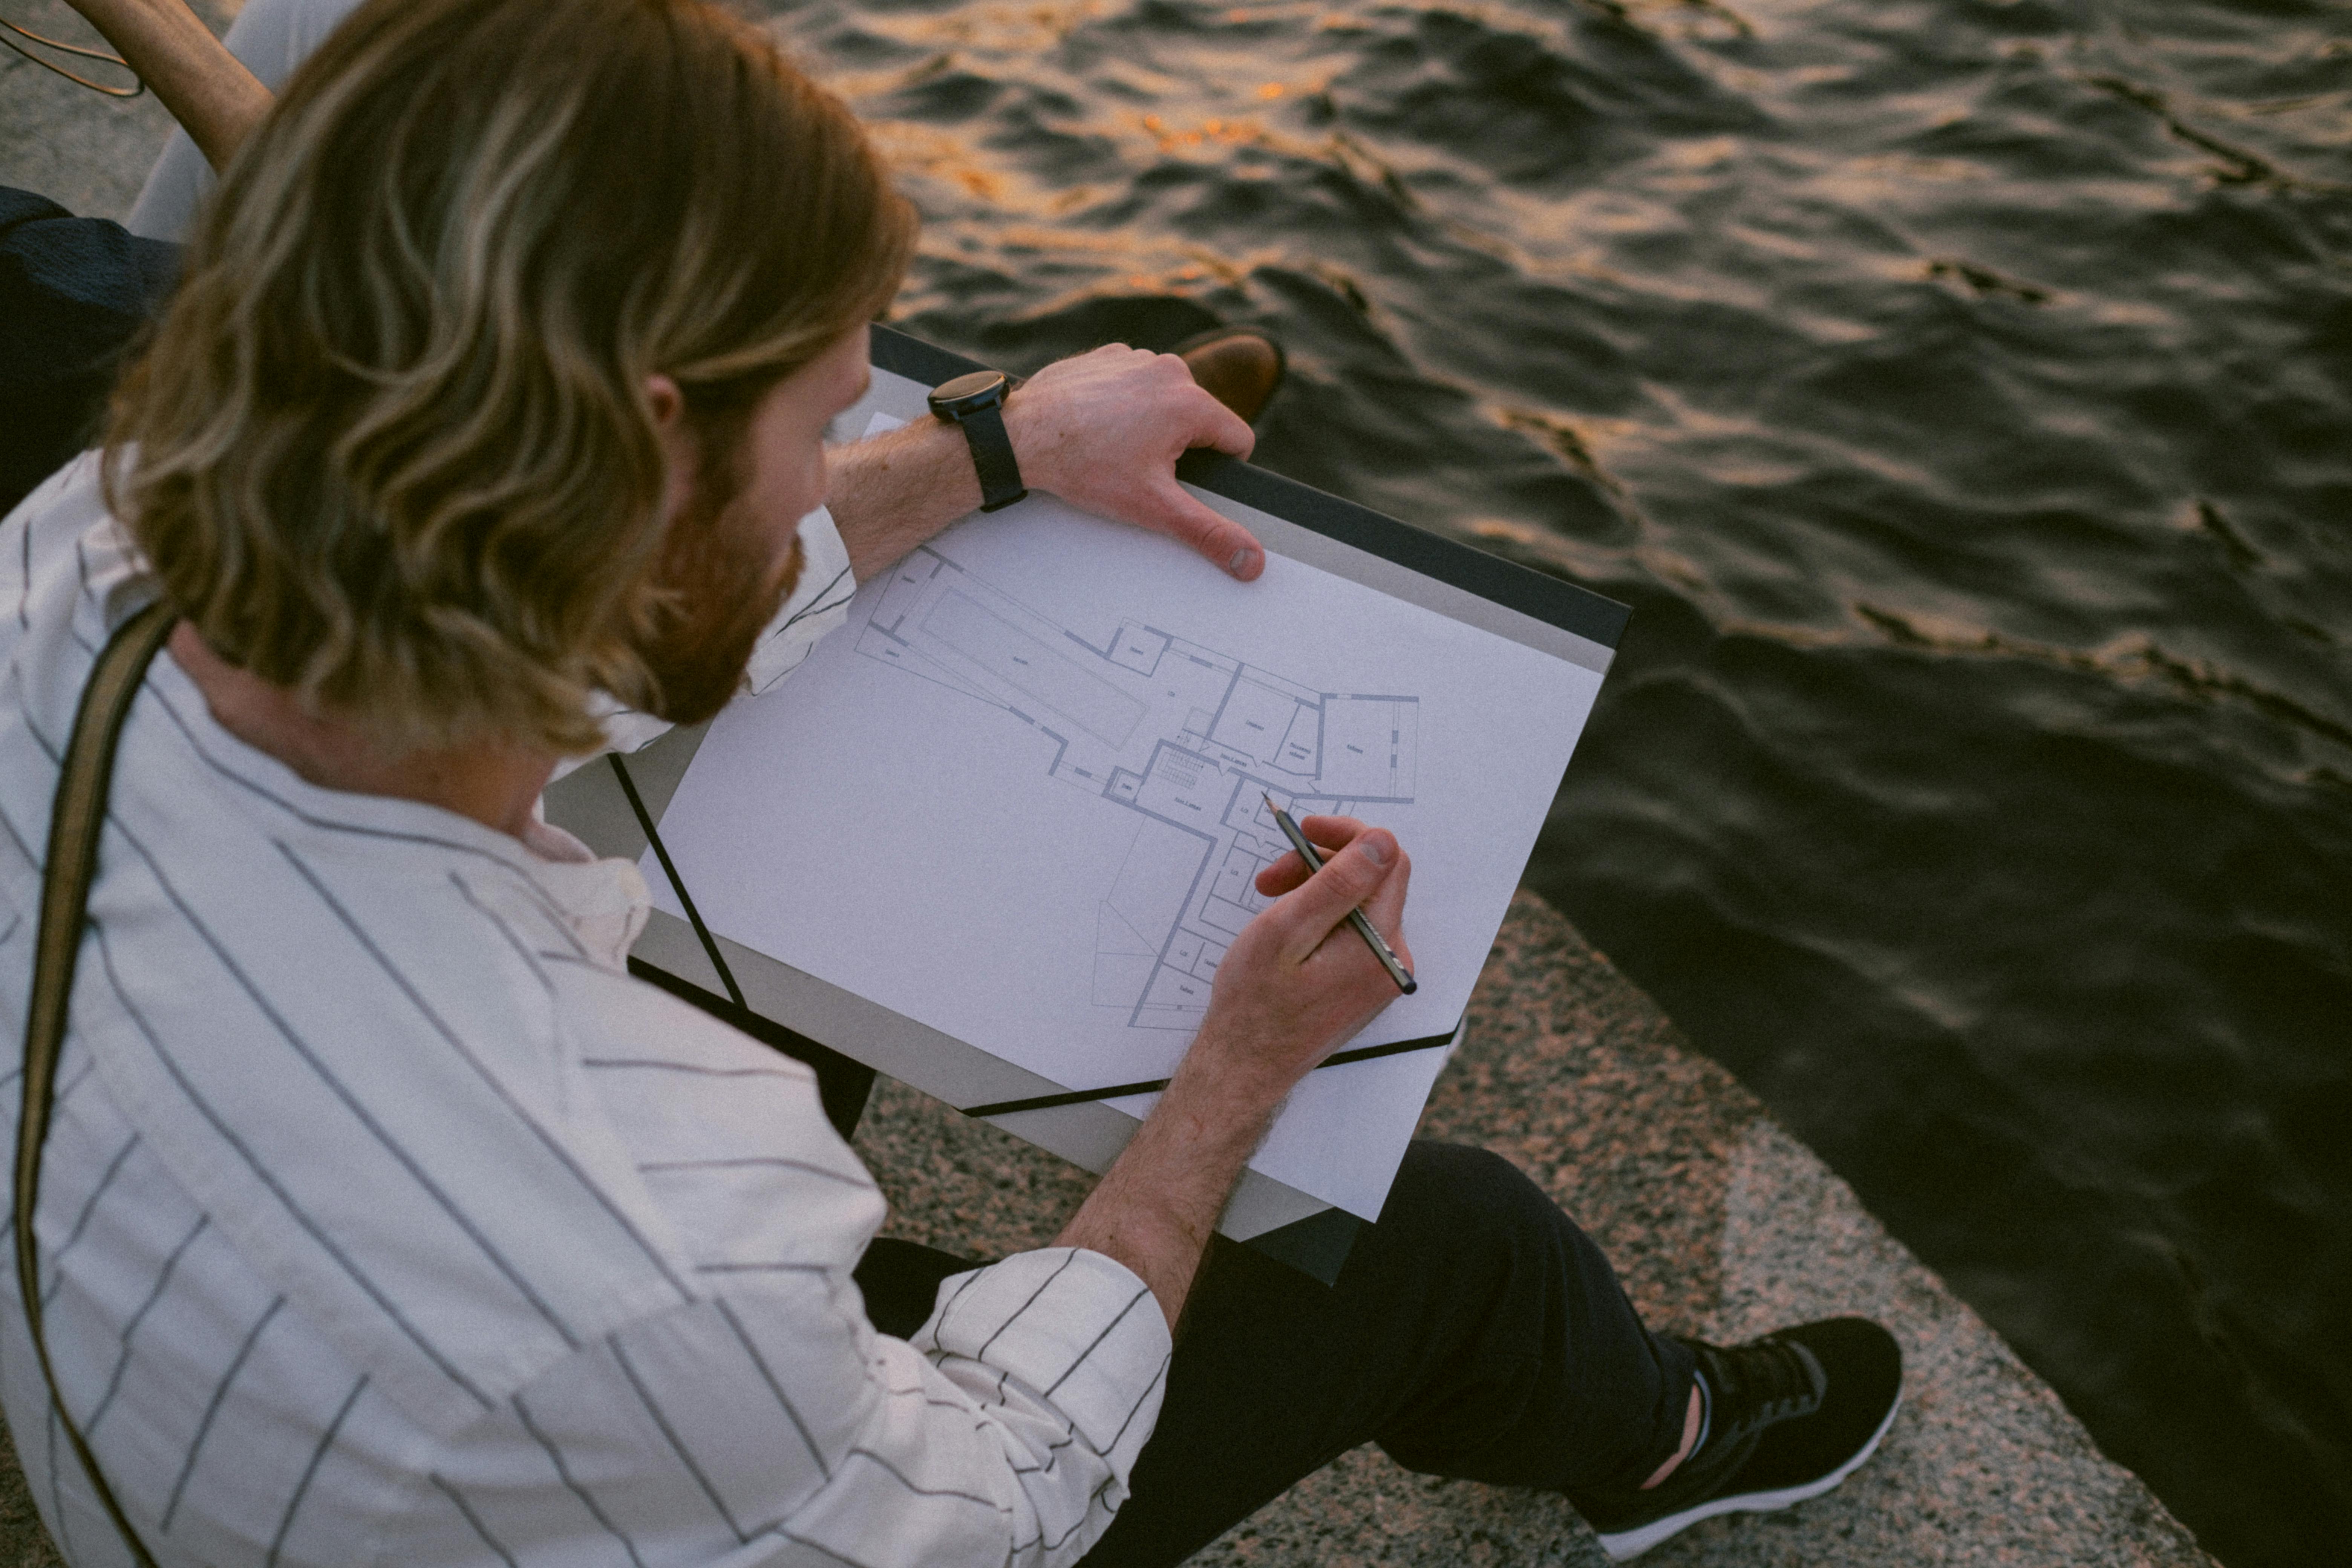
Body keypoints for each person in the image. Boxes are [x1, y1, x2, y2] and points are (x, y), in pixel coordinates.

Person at [0, 0, 1903, 1563]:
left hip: (187, 1366)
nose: (852, 439)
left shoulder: (80, 565)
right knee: (1443, 1243)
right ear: (655, 461)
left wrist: (995, 448)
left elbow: (562, 598)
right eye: (831, 414)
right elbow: (1003, 1500)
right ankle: (1666, 1442)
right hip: (520, 1427)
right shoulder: (675, 1244)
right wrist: (1230, 1076)